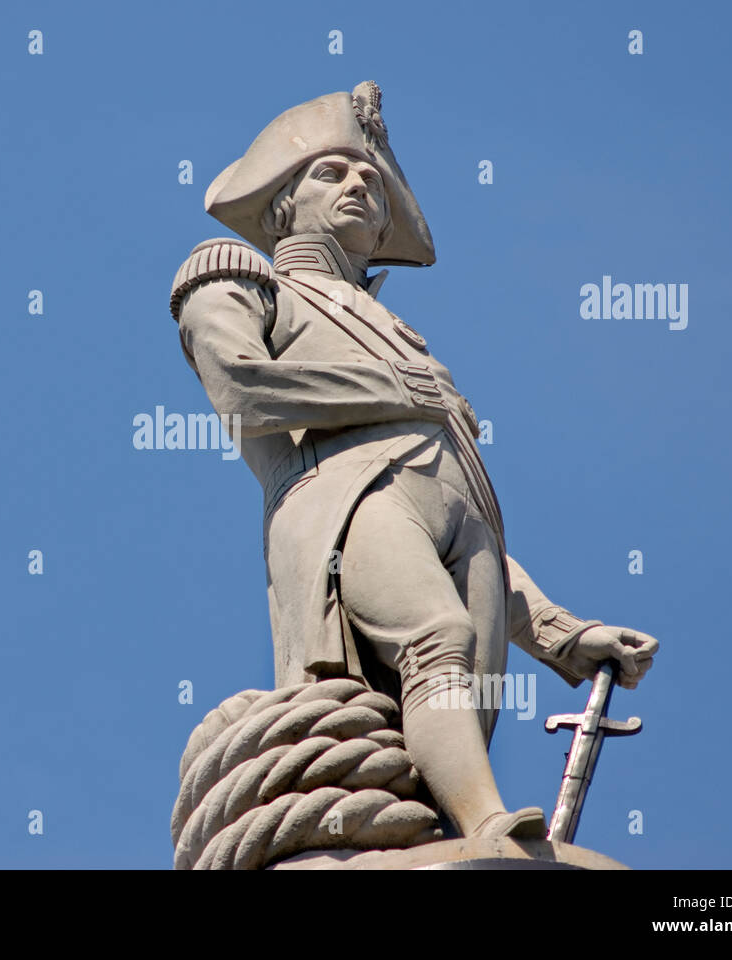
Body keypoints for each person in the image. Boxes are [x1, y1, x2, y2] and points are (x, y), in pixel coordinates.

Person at [170, 81, 657, 840]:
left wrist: (561, 634)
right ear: (279, 206)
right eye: (331, 173)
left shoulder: (402, 334)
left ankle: (450, 830)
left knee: (452, 679)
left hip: (464, 524)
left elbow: (461, 505)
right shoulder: (243, 273)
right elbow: (240, 387)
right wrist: (396, 389)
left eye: (372, 181)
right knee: (436, 635)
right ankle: (489, 826)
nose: (359, 184)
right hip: (344, 497)